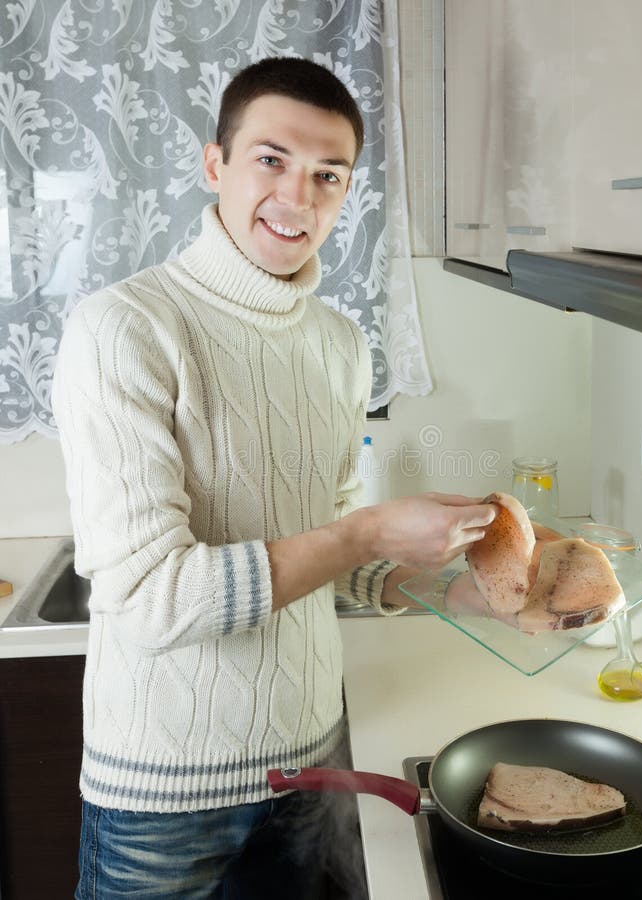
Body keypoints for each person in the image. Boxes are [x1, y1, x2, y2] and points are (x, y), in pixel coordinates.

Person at [52, 56, 494, 899]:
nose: (298, 196)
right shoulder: (125, 328)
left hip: (311, 769)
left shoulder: (337, 344)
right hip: (164, 797)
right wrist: (365, 529)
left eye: (328, 174)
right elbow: (152, 597)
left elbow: (325, 553)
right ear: (214, 163)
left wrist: (458, 592)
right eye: (270, 160)